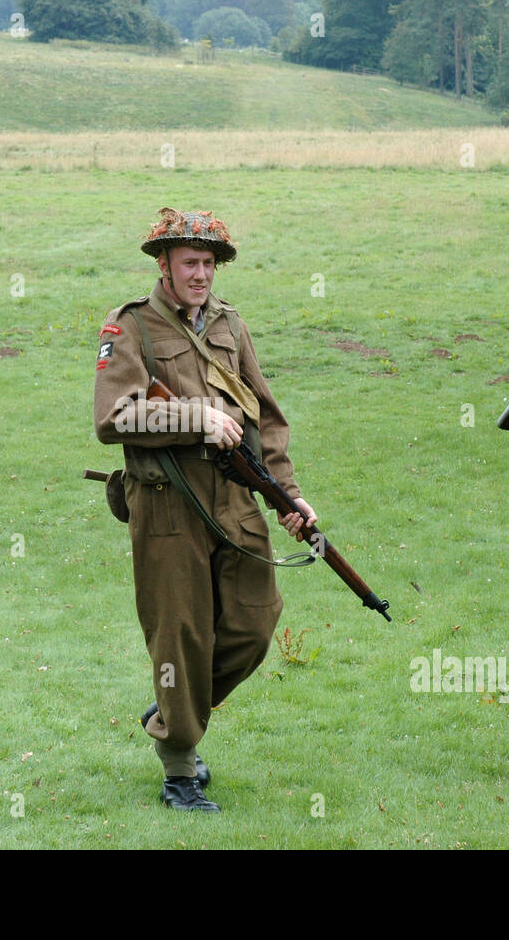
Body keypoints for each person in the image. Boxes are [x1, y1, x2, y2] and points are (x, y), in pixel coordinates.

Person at [93, 208, 316, 811]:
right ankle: (180, 767)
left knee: (254, 621)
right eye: (190, 262)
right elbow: (112, 419)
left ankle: (176, 707)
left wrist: (289, 494)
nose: (201, 274)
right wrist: (195, 418)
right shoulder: (131, 327)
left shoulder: (229, 324)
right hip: (167, 507)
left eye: (209, 263)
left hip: (237, 499)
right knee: (182, 634)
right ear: (162, 265)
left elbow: (265, 419)